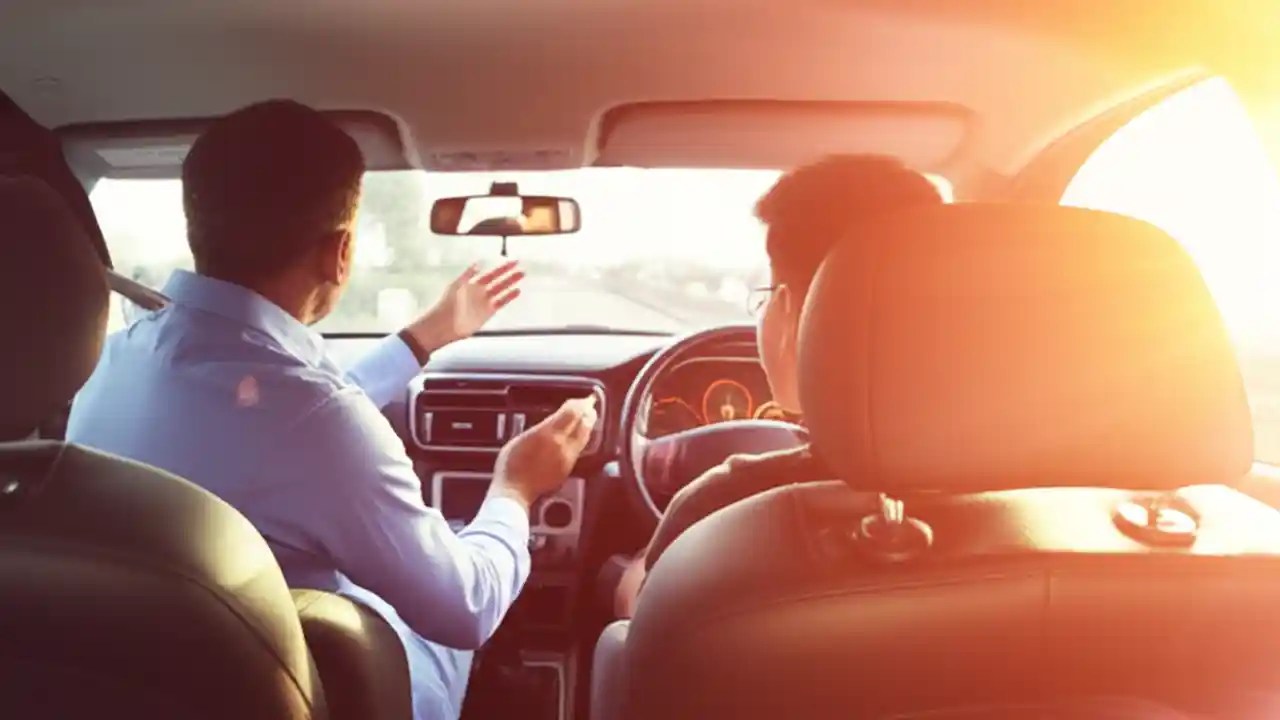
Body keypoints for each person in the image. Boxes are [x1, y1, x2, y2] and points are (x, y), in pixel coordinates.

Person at [66, 100, 598, 720]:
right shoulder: (316, 418)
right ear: (339, 253)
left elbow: (274, 423)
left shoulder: (111, 361)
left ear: (199, 226)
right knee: (441, 581)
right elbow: (466, 608)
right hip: (310, 694)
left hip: (144, 688)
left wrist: (420, 341)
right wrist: (515, 488)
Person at [614, 154, 944, 616]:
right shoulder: (1056, 498)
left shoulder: (725, 503)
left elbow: (643, 620)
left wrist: (634, 571)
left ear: (790, 314)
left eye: (768, 294)